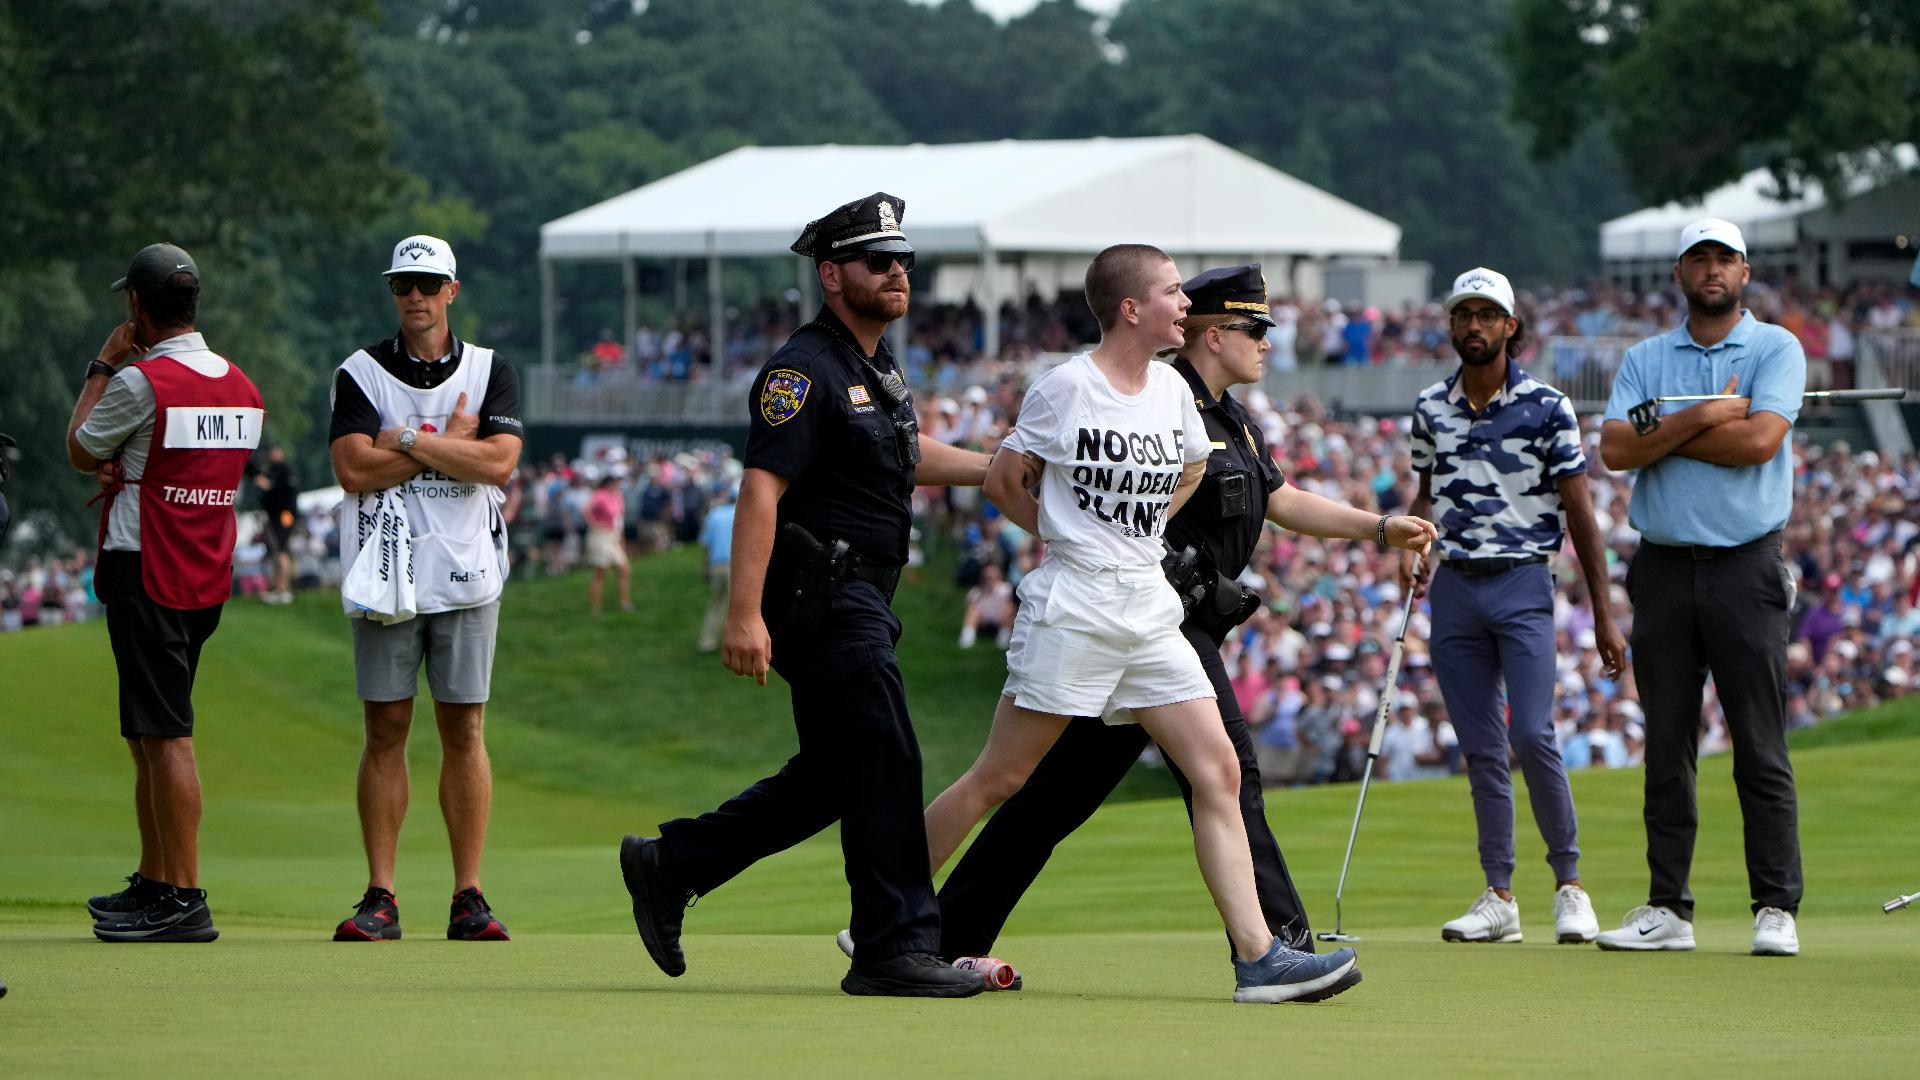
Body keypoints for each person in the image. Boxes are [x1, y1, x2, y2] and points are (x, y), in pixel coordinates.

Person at [921, 248, 1413, 1005]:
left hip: (1152, 614)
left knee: (1218, 772)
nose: (1182, 304)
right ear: (1132, 308)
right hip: (1087, 604)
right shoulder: (1069, 386)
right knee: (1009, 780)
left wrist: (1377, 529)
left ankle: (1264, 957)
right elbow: (1003, 477)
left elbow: (1212, 482)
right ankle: (892, 912)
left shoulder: (1194, 406)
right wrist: (1067, 534)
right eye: (1173, 291)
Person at [618, 193, 995, 997]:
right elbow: (761, 490)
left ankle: (672, 864)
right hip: (822, 594)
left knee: (836, 775)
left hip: (860, 595)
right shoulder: (803, 369)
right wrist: (743, 613)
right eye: (876, 261)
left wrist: (993, 467)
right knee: (888, 756)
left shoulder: (876, 363)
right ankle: (892, 949)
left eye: (904, 260)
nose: (896, 273)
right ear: (831, 274)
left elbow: (905, 453)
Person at [1595, 219, 1807, 957]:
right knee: (1666, 744)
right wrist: (1706, 411)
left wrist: (1668, 429)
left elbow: (1758, 443)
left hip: (1746, 565)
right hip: (1662, 565)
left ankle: (1775, 905)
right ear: (1679, 273)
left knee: (1759, 742)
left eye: (1725, 259)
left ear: (1744, 272)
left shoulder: (1775, 347)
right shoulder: (1647, 356)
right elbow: (1617, 449)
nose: (1711, 270)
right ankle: (1668, 908)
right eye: (1699, 260)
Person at [1398, 266, 1624, 946]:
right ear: (1451, 326)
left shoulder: (1550, 407)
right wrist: (1411, 543)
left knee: (1533, 734)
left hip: (1524, 583)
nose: (1474, 326)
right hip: (1455, 588)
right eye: (1464, 315)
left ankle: (1570, 885)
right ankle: (1499, 895)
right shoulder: (1429, 409)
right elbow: (1425, 493)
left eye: (1487, 315)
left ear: (1510, 326)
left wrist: (1606, 615)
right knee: (1482, 751)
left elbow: (1582, 516)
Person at [327, 234, 524, 942]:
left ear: (451, 290)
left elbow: (498, 463)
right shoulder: (359, 372)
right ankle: (381, 894)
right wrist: (448, 443)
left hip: (468, 571)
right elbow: (353, 470)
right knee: (385, 729)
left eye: (426, 282)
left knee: (464, 727)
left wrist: (403, 440)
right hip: (385, 572)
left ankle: (467, 894)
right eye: (403, 283)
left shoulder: (490, 369)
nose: (414, 295)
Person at [70, 243, 264, 942]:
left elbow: (80, 447)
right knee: (147, 735)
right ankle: (156, 879)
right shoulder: (243, 386)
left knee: (168, 735)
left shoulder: (140, 382)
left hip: (146, 569)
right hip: (204, 573)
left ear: (138, 308)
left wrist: (102, 366)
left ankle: (183, 897)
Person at [252, 442, 300, 604]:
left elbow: (288, 489)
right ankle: (277, 586)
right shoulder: (269, 470)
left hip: (285, 515)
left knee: (281, 548)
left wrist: (270, 486)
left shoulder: (285, 469)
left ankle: (282, 587)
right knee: (276, 550)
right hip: (272, 516)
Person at [584, 472, 631, 614]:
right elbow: (586, 510)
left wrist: (620, 538)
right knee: (600, 572)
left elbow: (618, 519)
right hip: (600, 536)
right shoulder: (600, 494)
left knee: (624, 569)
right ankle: (596, 607)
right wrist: (595, 524)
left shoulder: (617, 496)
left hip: (613, 535)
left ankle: (625, 602)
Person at [696, 483, 735, 653]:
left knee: (716, 604)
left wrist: (705, 568)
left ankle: (707, 642)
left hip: (716, 564)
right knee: (736, 608)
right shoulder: (744, 514)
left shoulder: (715, 514)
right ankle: (732, 645)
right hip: (735, 567)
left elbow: (706, 544)